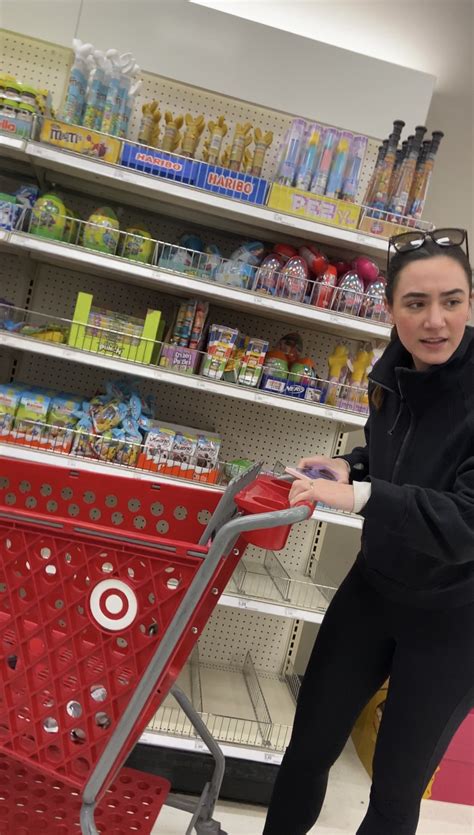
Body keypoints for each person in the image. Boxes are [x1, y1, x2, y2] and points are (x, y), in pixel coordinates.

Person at [263, 229, 474, 835]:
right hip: (374, 591)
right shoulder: (393, 370)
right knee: (306, 749)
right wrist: (354, 465)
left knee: (396, 789)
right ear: (391, 310)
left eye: (452, 301)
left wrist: (358, 495)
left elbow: (464, 523)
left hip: (452, 617)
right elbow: (397, 452)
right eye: (415, 304)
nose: (435, 321)